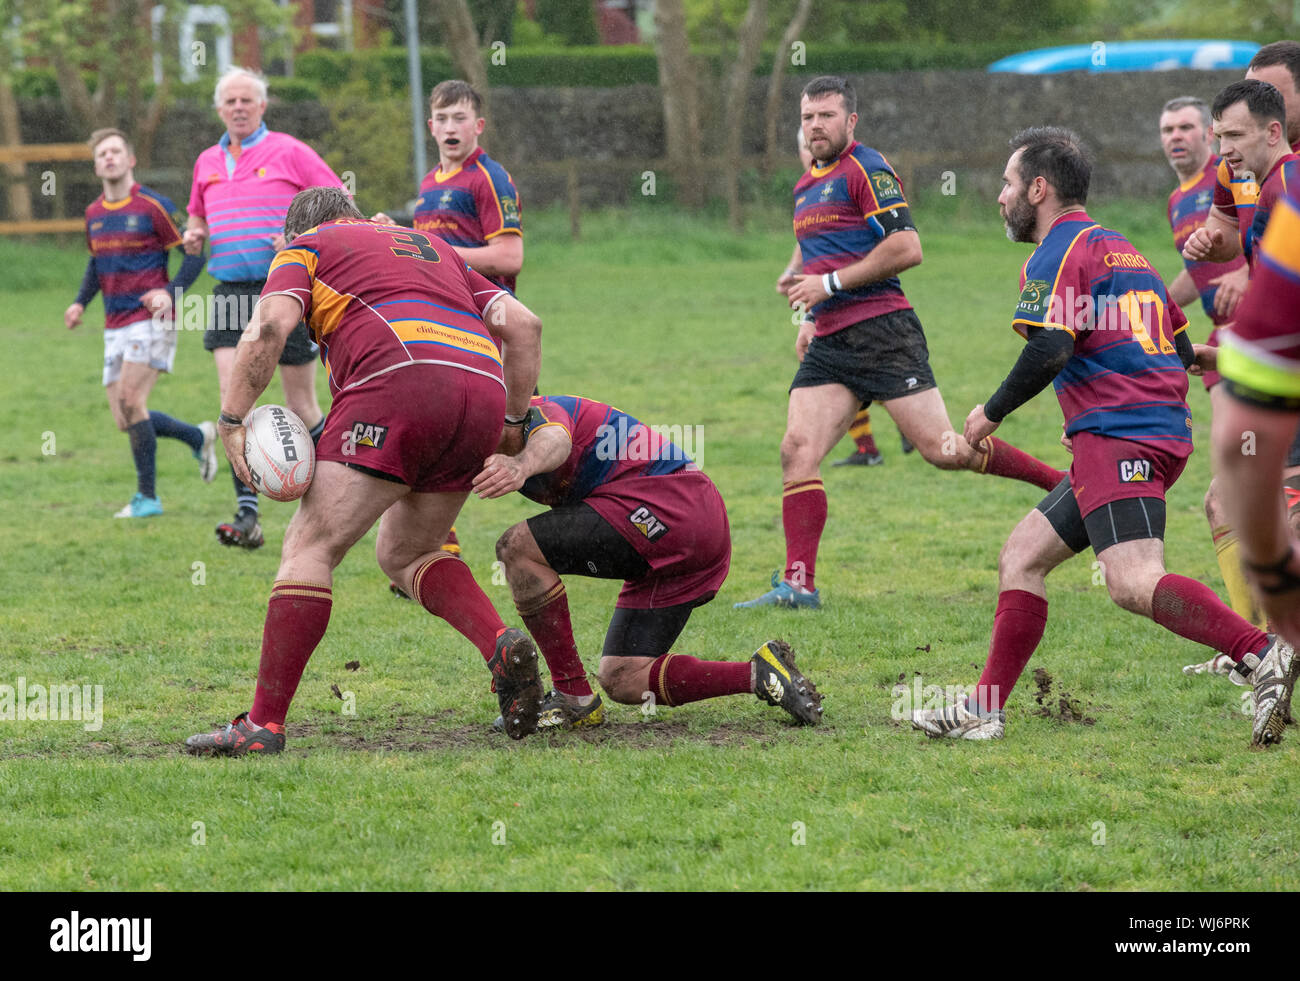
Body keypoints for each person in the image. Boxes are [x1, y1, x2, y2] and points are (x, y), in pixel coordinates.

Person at [910, 126, 1294, 746]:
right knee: (1022, 557)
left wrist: (992, 414)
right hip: (1133, 430)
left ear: (1039, 189)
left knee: (1133, 579)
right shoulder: (1124, 249)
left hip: (1123, 435)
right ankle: (985, 706)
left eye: (1008, 184)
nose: (1000, 198)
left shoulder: (1057, 249)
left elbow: (1052, 347)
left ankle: (1260, 653)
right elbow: (1170, 343)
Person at [184, 187, 546, 756]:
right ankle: (501, 646)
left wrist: (232, 419)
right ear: (354, 216)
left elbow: (268, 328)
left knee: (310, 547)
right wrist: (514, 422)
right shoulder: (433, 248)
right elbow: (524, 326)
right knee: (407, 553)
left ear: (293, 232)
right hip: (480, 394)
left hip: (395, 383)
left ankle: (262, 726)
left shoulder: (305, 248)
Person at [735, 75, 1063, 611]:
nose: (816, 125)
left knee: (944, 450)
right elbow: (816, 266)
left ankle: (1067, 489)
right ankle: (799, 585)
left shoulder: (868, 168)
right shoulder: (803, 188)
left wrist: (831, 285)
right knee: (797, 451)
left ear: (850, 121)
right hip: (832, 344)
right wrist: (807, 316)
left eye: (826, 116)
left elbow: (908, 247)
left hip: (884, 334)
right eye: (808, 117)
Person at [477, 394, 822, 730]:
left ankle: (571, 696)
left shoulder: (542, 413)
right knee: (623, 677)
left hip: (670, 508)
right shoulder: (488, 434)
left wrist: (521, 464)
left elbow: (555, 438)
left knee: (517, 549)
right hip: (690, 528)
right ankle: (762, 675)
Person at [183, 66, 345, 549]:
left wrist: (297, 236)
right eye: (229, 101)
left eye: (246, 101)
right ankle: (248, 515)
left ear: (262, 106)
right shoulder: (206, 161)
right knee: (232, 405)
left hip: (285, 289)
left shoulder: (290, 151)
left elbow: (339, 201)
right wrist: (195, 234)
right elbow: (196, 215)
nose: (237, 107)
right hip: (230, 293)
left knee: (302, 405)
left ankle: (334, 503)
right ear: (219, 109)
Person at [374, 79, 523, 569]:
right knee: (434, 428)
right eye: (442, 118)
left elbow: (509, 255)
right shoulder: (430, 182)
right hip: (440, 323)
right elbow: (426, 259)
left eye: (460, 118)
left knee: (501, 439)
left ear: (478, 125)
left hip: (486, 324)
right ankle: (441, 540)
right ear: (430, 126)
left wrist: (434, 251)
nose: (451, 127)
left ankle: (585, 502)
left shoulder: (489, 178)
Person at [65, 127, 215, 518]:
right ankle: (197, 436)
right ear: (96, 164)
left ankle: (147, 499)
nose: (109, 158)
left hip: (152, 319)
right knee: (124, 417)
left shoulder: (154, 206)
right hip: (113, 323)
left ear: (130, 160)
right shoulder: (94, 214)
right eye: (102, 154)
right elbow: (96, 263)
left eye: (116, 151)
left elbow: (195, 254)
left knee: (132, 402)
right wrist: (80, 303)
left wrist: (171, 292)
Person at [1159, 96, 1263, 649]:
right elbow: (1193, 275)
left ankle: (1260, 641)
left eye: (1187, 127)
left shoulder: (1244, 176)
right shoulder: (1179, 200)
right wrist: (1147, 302)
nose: (1176, 137)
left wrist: (1250, 275)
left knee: (1234, 490)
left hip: (1256, 346)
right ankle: (1258, 640)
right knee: (1229, 490)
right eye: (1166, 129)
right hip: (1221, 348)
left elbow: (1267, 239)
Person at [1213, 179, 1300, 654]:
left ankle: (1265, 649)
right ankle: (1256, 645)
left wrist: (1273, 572)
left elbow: (1243, 436)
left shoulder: (1292, 189)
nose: (1225, 147)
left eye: (1233, 134)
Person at [776, 127, 884, 467]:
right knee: (851, 370)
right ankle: (879, 435)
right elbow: (809, 238)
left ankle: (890, 425)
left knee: (848, 372)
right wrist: (794, 271)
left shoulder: (846, 177)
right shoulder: (811, 184)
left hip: (852, 298)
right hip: (825, 298)